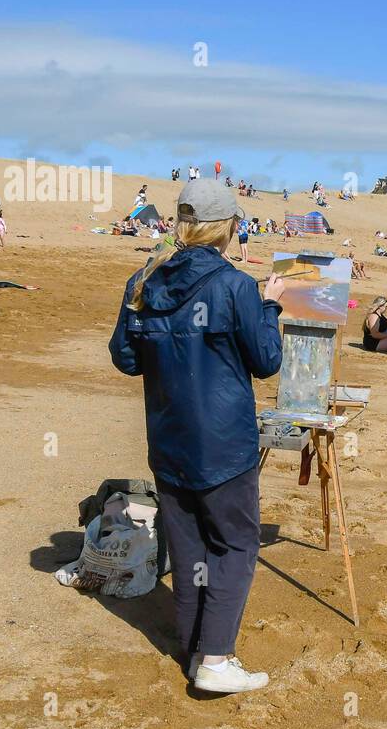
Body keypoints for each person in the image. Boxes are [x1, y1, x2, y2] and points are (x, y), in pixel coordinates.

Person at [108, 180, 286, 694]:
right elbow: (267, 361)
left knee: (189, 547)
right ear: (228, 226)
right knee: (233, 543)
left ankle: (193, 649)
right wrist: (270, 306)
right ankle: (215, 658)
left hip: (169, 438)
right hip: (223, 444)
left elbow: (125, 359)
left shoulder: (144, 280)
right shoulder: (234, 287)